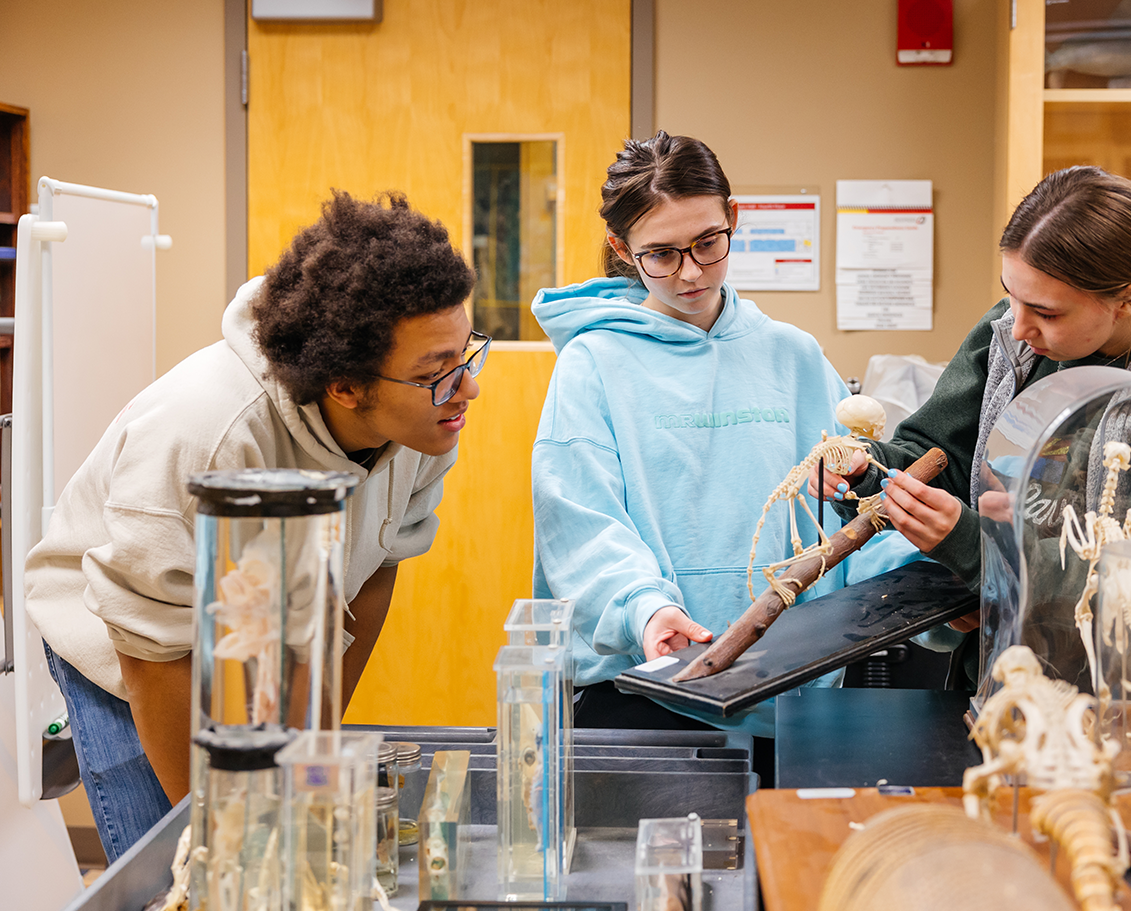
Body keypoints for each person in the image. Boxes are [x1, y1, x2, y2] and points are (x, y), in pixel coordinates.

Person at [25, 190, 483, 862]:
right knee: (189, 868)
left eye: (466, 355)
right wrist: (221, 843)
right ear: (346, 387)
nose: (467, 388)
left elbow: (377, 566)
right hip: (136, 649)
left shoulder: (422, 425)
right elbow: (151, 648)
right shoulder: (206, 434)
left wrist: (313, 746)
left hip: (260, 633)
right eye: (436, 373)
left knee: (285, 839)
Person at [529, 131, 918, 775]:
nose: (690, 272)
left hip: (786, 694)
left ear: (734, 219)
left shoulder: (791, 356)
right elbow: (581, 524)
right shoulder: (593, 364)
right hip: (646, 691)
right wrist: (644, 608)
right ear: (622, 249)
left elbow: (858, 513)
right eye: (660, 254)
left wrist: (934, 573)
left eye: (708, 243)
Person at [815, 165, 1131, 668]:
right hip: (1003, 668)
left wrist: (975, 550)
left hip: (1130, 688)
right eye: (1011, 293)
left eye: (1047, 313)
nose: (1018, 325)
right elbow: (940, 455)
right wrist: (866, 473)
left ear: (1128, 298)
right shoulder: (1010, 332)